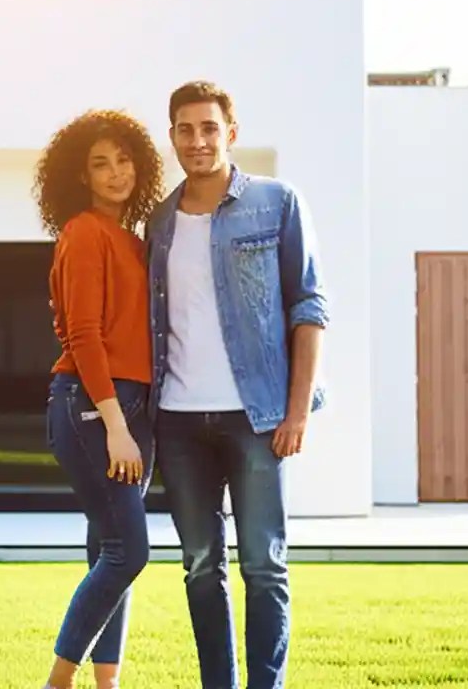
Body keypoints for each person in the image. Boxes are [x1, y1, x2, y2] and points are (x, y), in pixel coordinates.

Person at [147, 81, 328, 689]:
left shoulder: (277, 203)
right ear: (171, 135)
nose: (198, 140)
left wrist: (297, 410)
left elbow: (308, 307)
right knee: (200, 566)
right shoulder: (160, 221)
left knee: (263, 565)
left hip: (257, 418)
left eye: (209, 128)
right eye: (185, 129)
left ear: (231, 132)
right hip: (177, 419)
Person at [36, 109, 166, 689]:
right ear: (80, 177)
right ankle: (59, 681)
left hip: (134, 406)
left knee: (107, 549)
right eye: (99, 164)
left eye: (122, 160)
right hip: (94, 407)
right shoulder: (84, 233)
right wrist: (116, 423)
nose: (115, 173)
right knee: (128, 551)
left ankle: (106, 682)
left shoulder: (134, 243)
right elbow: (83, 334)